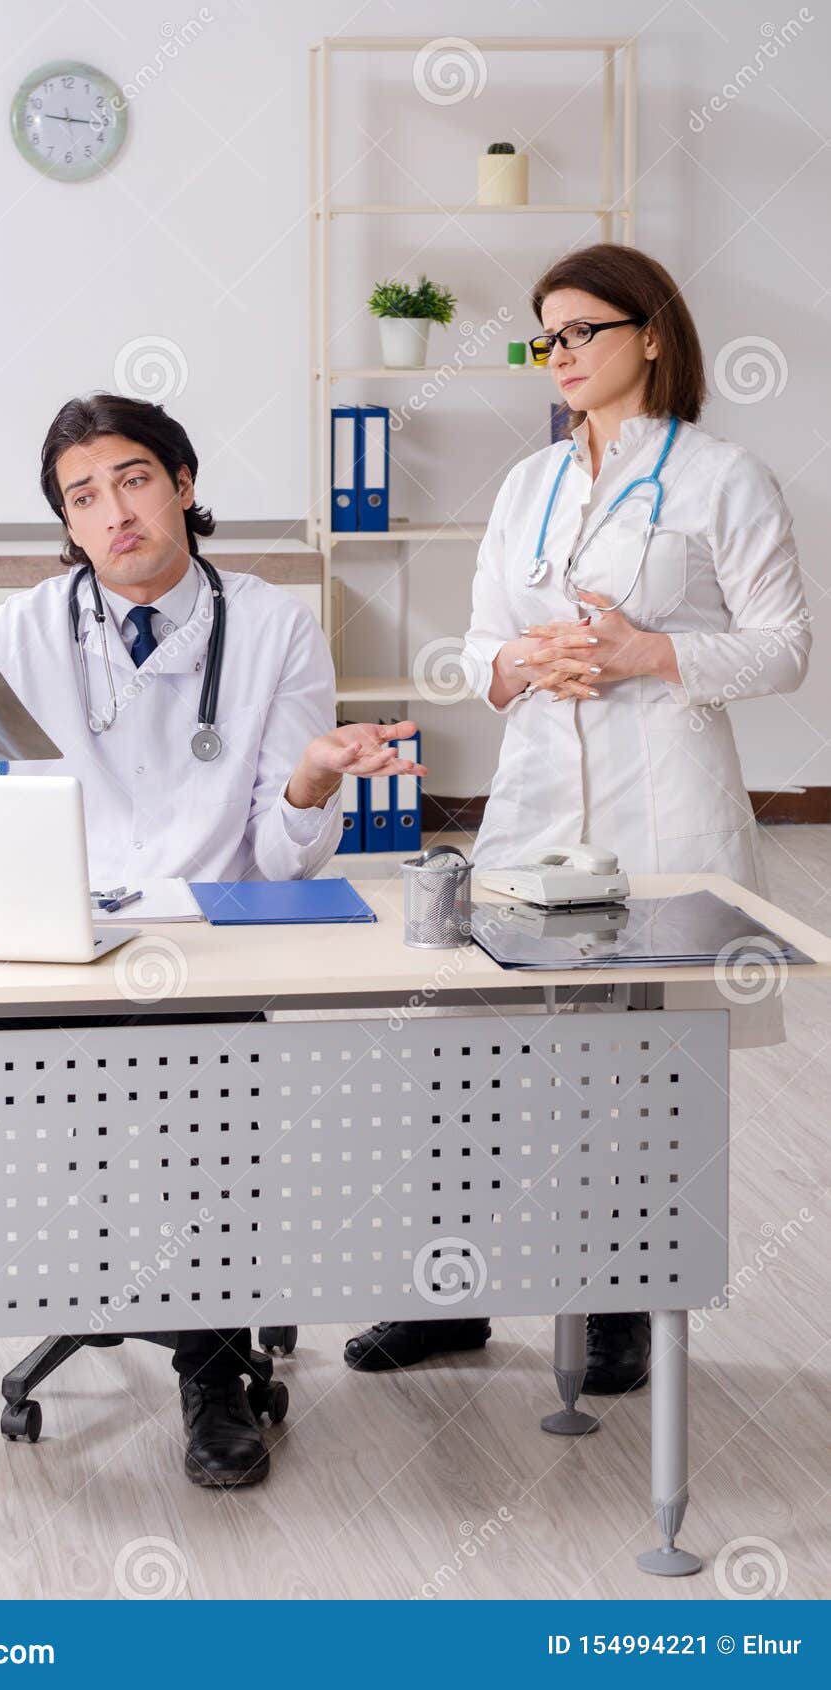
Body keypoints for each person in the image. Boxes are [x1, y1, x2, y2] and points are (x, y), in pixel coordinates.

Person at [0, 392, 426, 1487]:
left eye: (132, 480)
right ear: (66, 523)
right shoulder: (21, 629)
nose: (113, 511)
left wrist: (314, 780)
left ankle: (213, 1375)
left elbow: (279, 862)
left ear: (182, 484)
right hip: (42, 936)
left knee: (215, 1103)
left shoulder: (273, 627)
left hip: (202, 947)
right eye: (82, 497)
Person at [345, 242, 810, 1391]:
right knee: (473, 1050)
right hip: (535, 803)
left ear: (649, 333)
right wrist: (518, 661)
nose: (558, 354)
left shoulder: (724, 478)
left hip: (665, 809)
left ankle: (618, 1303)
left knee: (634, 1069)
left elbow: (784, 648)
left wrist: (648, 653)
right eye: (545, 337)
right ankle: (451, 1295)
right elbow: (473, 646)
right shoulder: (528, 485)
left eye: (580, 331)